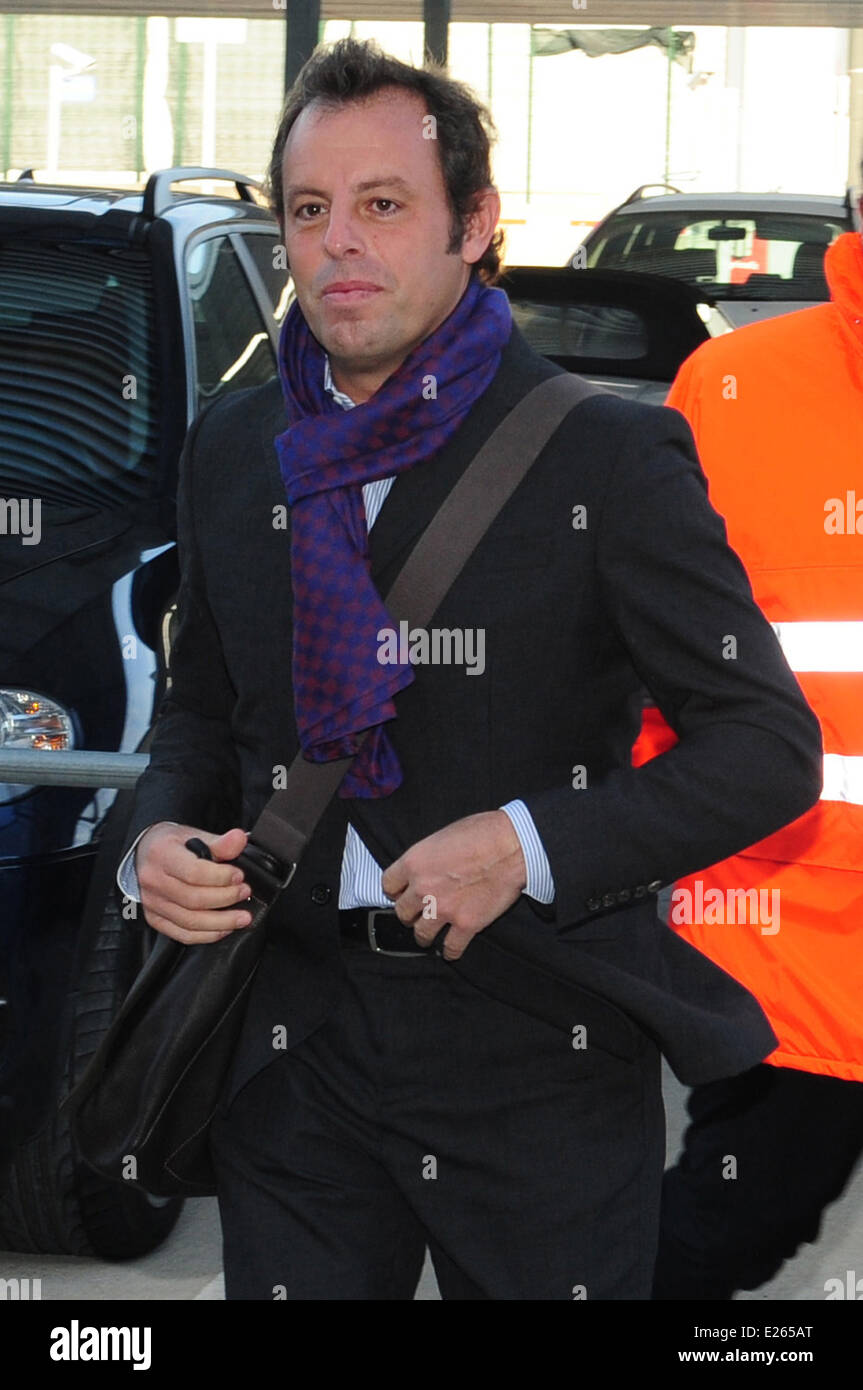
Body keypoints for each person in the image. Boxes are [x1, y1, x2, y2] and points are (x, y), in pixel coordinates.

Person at [117, 39, 821, 1300]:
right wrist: (154, 840)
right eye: (309, 211)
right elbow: (199, 720)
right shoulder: (236, 444)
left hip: (535, 1052)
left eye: (383, 205)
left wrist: (526, 843)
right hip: (291, 1049)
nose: (339, 243)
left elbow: (764, 750)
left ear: (473, 225)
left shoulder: (603, 457)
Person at [650, 209, 863, 1299]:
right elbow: (648, 662)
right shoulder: (730, 389)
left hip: (782, 939)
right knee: (720, 1235)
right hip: (783, 944)